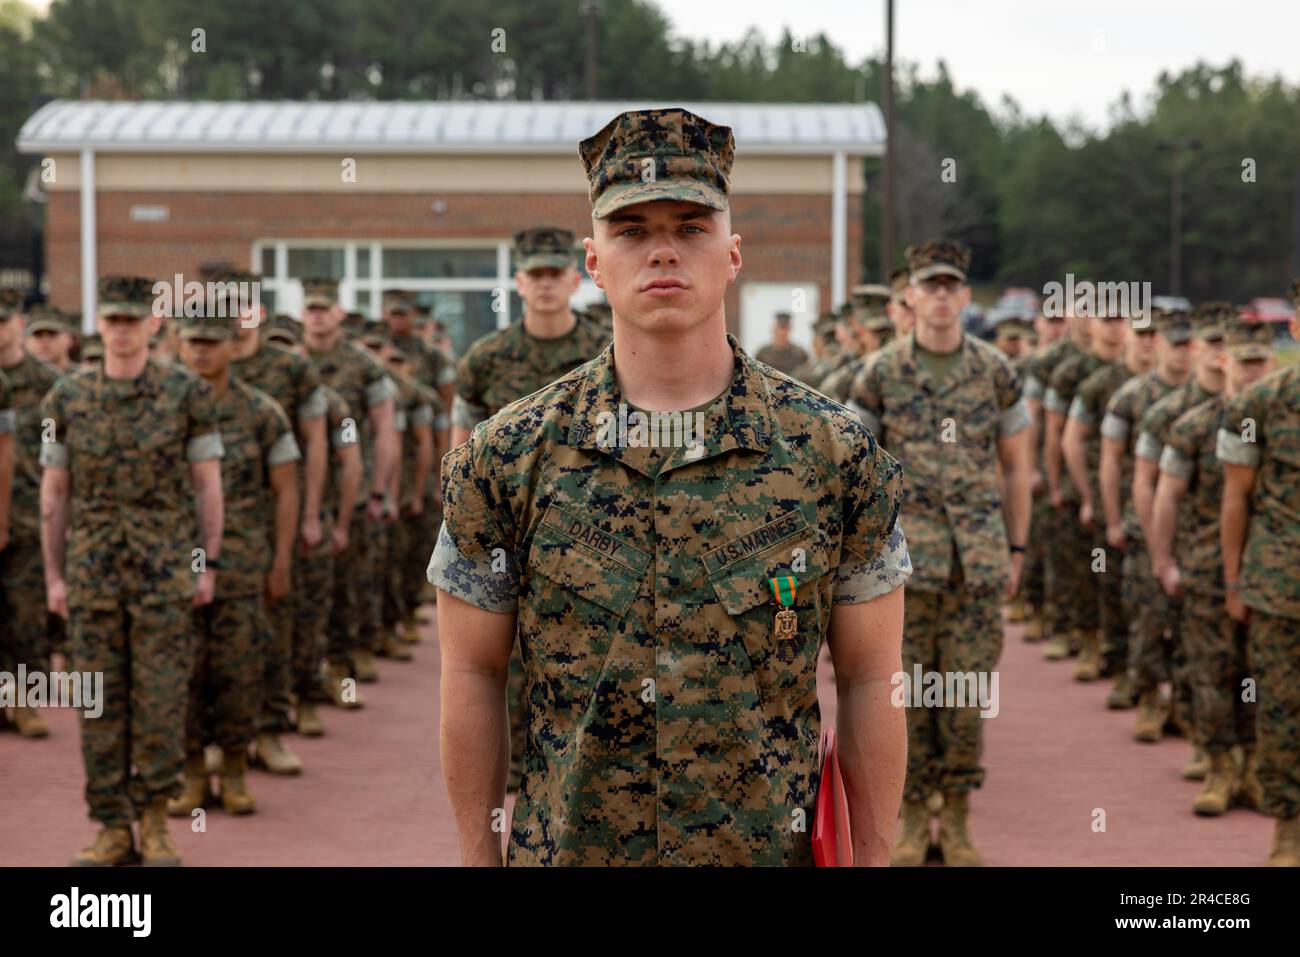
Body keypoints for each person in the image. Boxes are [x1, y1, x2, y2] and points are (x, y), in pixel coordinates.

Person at [433, 107, 910, 866]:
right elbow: (472, 671)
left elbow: (870, 677)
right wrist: (476, 857)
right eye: (632, 231)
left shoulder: (831, 453)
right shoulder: (508, 455)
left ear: (733, 253)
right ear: (594, 260)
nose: (663, 251)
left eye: (691, 227)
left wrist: (875, 857)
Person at [849, 239, 1032, 867]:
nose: (942, 297)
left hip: (977, 558)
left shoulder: (995, 372)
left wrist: (1017, 547)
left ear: (965, 296)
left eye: (953, 285)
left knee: (965, 692)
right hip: (905, 563)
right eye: (931, 286)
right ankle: (907, 815)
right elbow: (859, 472)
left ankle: (954, 817)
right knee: (904, 693)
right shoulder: (879, 373)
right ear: (911, 297)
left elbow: (1017, 465)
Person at [41, 275, 225, 867]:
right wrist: (54, 575)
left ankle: (156, 820)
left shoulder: (186, 394)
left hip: (164, 574)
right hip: (92, 575)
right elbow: (56, 492)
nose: (121, 330)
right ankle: (112, 826)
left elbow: (207, 487)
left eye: (131, 320)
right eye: (112, 320)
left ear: (152, 325)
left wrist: (208, 562)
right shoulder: (65, 399)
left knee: (162, 701)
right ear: (99, 325)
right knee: (97, 703)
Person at [448, 225, 611, 792]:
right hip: (509, 532)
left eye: (554, 274)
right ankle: (518, 769)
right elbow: (462, 444)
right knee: (503, 654)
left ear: (575, 277)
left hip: (598, 530)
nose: (545, 285)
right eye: (534, 274)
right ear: (518, 282)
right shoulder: (487, 359)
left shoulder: (606, 352)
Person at [168, 309, 300, 816]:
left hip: (243, 562)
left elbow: (286, 489)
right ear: (179, 345)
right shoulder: (164, 407)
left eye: (211, 342)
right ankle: (194, 771)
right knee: (183, 671)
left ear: (232, 347)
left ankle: (236, 770)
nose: (201, 350)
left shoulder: (261, 412)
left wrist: (282, 558)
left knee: (239, 670)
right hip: (175, 563)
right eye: (192, 341)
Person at [1151, 318, 1273, 817]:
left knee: (1266, 677)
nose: (1250, 371)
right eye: (1242, 361)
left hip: (1273, 575)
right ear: (1226, 363)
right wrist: (1163, 559)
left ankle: (1258, 770)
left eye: (1258, 361)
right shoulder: (1195, 424)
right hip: (1205, 569)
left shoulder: (1285, 416)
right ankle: (1221, 767)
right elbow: (1167, 497)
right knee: (1212, 674)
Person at [216, 268, 328, 771]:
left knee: (275, 627)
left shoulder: (291, 369)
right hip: (207, 527)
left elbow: (317, 443)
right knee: (212, 640)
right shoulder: (197, 368)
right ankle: (220, 740)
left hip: (270, 519)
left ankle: (270, 730)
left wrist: (309, 513)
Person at [1217, 294, 1300, 867]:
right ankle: (1288, 826)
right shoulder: (1259, 404)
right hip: (1279, 585)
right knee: (1280, 708)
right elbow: (1236, 498)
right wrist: (1234, 582)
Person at [1131, 303, 1227, 756]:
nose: (1217, 354)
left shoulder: (1250, 410)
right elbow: (1148, 485)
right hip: (1177, 540)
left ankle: (1193, 717)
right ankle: (1152, 697)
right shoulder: (1168, 413)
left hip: (1224, 553)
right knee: (1155, 622)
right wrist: (1158, 550)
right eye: (1210, 343)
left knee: (1208, 648)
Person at [301, 278, 398, 692]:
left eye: (325, 308)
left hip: (349, 488)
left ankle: (345, 661)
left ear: (339, 313)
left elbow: (385, 431)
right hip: (299, 489)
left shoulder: (363, 365)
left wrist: (381, 491)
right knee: (304, 594)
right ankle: (304, 676)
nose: (318, 316)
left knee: (351, 582)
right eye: (312, 309)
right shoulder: (291, 362)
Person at [1099, 308, 1192, 707]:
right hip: (1144, 522)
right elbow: (1112, 461)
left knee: (1193, 627)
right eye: (1175, 344)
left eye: (1190, 345)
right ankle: (1149, 696)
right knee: (1147, 615)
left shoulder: (1208, 399)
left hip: (1197, 528)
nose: (1181, 353)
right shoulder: (1132, 397)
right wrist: (1114, 520)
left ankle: (1186, 707)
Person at [1059, 309, 1150, 681]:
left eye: (1121, 321)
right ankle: (1095, 643)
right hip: (1106, 490)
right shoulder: (1094, 381)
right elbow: (1067, 438)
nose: (1115, 328)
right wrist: (1087, 495)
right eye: (1107, 320)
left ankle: (1137, 666)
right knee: (1099, 572)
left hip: (1147, 497)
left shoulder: (1154, 384)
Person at [0, 289, 61, 738]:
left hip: (29, 512)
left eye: (3, 321)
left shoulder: (48, 383)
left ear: (17, 324)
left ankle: (24, 702)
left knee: (26, 614)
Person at [24, 306, 75, 374]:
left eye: (52, 334)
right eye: (38, 335)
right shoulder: (9, 382)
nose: (45, 341)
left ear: (69, 339)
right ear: (26, 342)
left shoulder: (84, 381)